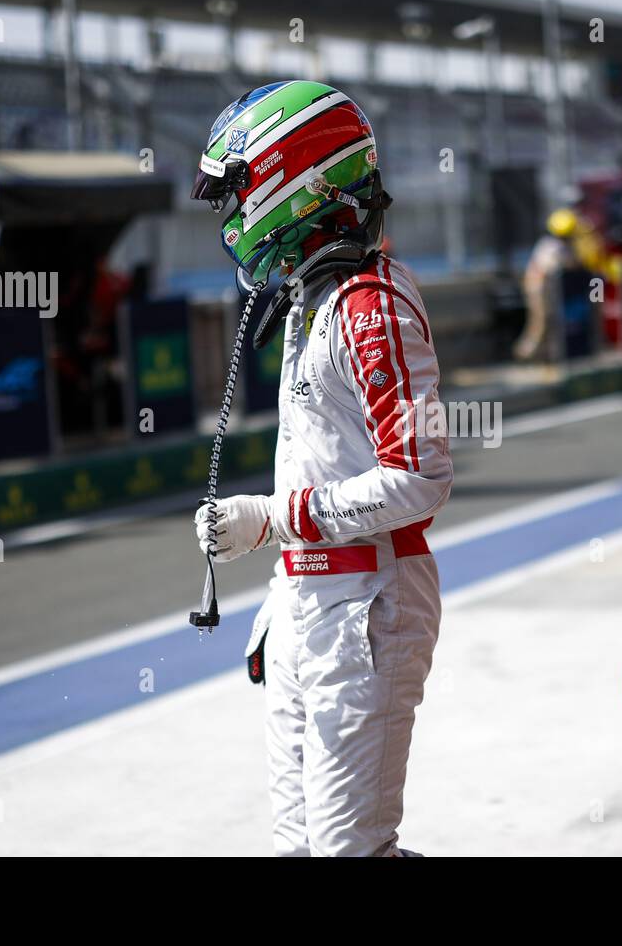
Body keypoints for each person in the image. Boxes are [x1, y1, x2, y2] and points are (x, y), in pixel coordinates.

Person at [189, 81, 453, 856]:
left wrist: (275, 518)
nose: (230, 217)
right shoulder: (314, 300)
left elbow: (422, 476)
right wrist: (279, 566)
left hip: (370, 602)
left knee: (351, 853)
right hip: (310, 600)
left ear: (294, 179)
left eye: (235, 193)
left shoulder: (374, 306)